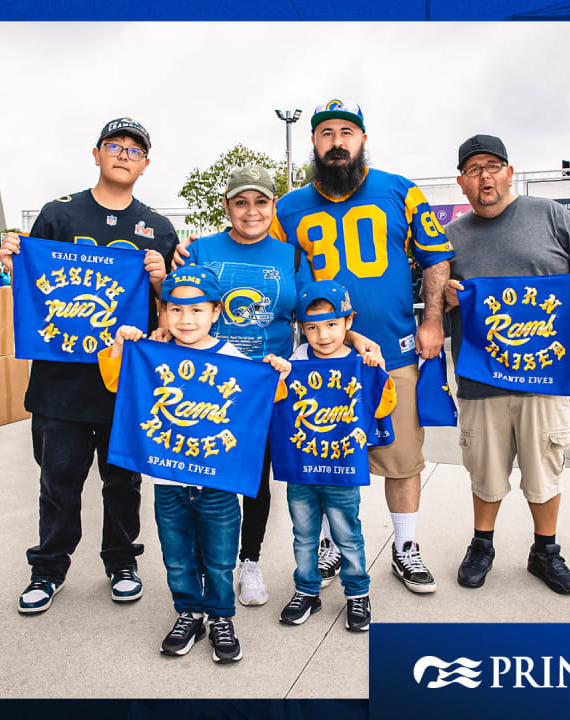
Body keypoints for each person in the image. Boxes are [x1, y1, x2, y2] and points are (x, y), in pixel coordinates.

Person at [264, 99, 454, 594]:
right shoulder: (288, 207)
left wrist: (432, 318)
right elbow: (267, 267)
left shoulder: (401, 190)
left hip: (390, 353)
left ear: (362, 139)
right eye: (326, 133)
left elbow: (434, 259)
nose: (337, 142)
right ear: (313, 142)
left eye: (347, 132)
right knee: (320, 455)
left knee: (402, 456)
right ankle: (329, 547)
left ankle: (405, 546)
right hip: (318, 358)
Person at [0, 117, 174, 614]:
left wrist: (163, 280)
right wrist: (14, 255)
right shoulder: (58, 214)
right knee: (59, 479)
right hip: (62, 383)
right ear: (96, 153)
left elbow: (173, 312)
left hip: (126, 383)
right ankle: (48, 568)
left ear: (145, 164)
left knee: (123, 481)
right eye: (114, 146)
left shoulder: (158, 228)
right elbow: (29, 285)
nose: (124, 154)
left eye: (135, 149)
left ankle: (122, 561)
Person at [181, 165, 379, 606]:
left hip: (270, 384)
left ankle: (248, 562)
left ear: (274, 205)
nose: (251, 211)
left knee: (256, 479)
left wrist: (356, 336)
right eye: (240, 202)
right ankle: (204, 566)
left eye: (261, 202)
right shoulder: (199, 249)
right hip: (208, 382)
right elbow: (180, 303)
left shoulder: (290, 256)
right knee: (204, 479)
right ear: (227, 206)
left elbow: (319, 309)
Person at [443, 134, 570, 594]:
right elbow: (435, 302)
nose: (485, 176)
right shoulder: (450, 239)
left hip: (546, 375)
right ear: (462, 182)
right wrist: (445, 296)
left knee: (544, 466)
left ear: (509, 173)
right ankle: (482, 545)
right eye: (475, 169)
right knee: (485, 466)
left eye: (493, 166)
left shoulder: (550, 215)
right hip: (481, 375)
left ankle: (545, 551)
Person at [97, 267, 291, 662]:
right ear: (163, 311)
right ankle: (188, 613)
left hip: (218, 484)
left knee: (220, 560)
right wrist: (122, 343)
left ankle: (220, 617)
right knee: (176, 555)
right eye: (176, 310)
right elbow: (115, 380)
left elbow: (267, 398)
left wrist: (278, 372)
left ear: (217, 312)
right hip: (167, 480)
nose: (186, 320)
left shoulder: (234, 357)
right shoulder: (154, 353)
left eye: (197, 310)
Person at [276, 281, 394, 632]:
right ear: (301, 328)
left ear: (348, 322)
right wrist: (277, 372)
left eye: (331, 324)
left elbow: (384, 404)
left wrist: (378, 370)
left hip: (342, 468)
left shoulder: (361, 362)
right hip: (302, 467)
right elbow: (275, 397)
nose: (322, 335)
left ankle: (358, 594)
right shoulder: (296, 360)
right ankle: (306, 590)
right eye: (311, 327)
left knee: (347, 533)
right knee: (304, 533)